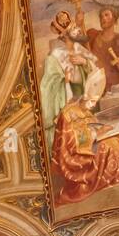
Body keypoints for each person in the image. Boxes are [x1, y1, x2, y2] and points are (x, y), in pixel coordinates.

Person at [51, 67, 119, 204]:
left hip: (91, 142)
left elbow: (94, 124)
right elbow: (71, 139)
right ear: (85, 97)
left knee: (118, 139)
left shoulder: (85, 110)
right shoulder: (69, 112)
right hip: (75, 155)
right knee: (106, 146)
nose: (93, 105)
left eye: (95, 102)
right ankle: (118, 176)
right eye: (91, 101)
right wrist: (97, 133)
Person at [39, 12, 97, 152]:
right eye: (73, 30)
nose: (77, 31)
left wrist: (84, 62)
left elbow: (96, 70)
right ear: (64, 35)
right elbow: (47, 85)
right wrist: (64, 80)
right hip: (66, 105)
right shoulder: (55, 55)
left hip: (83, 102)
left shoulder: (80, 50)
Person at [86, 7, 119, 91]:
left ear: (115, 19)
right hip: (96, 85)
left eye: (106, 15)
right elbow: (83, 44)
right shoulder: (93, 36)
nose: (103, 18)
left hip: (115, 86)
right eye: (101, 16)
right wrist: (79, 23)